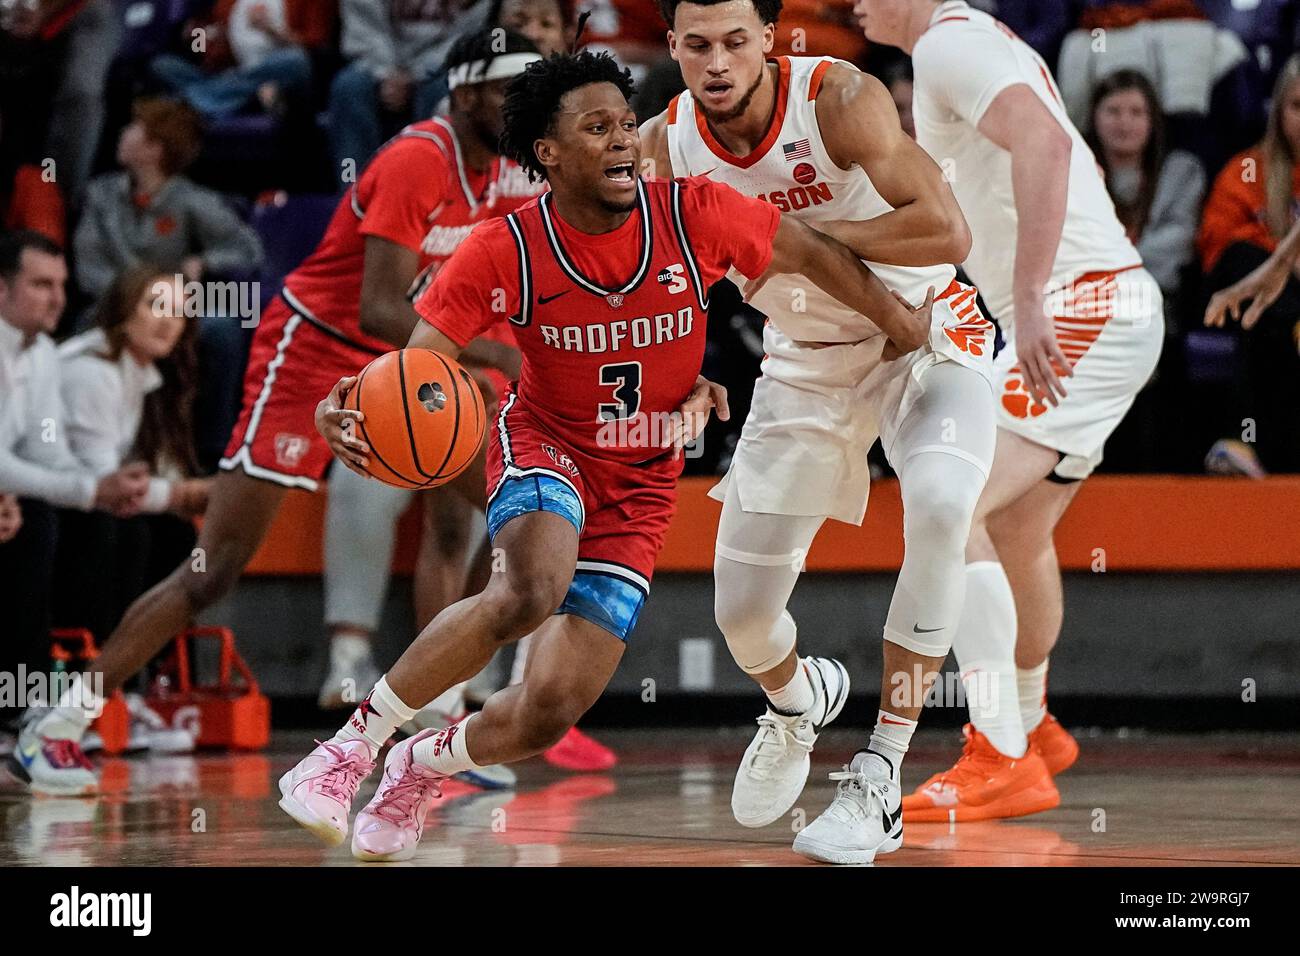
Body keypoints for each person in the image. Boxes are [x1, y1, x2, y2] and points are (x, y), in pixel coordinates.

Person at [278, 49, 935, 863]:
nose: (624, 141)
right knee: (529, 588)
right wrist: (346, 408)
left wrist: (898, 319)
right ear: (547, 154)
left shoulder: (693, 212)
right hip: (546, 443)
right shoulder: (504, 247)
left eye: (627, 124)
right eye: (597, 128)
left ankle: (421, 763)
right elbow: (419, 370)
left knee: (551, 707)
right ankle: (344, 754)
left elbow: (806, 253)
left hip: (644, 477)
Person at [10, 32, 545, 796]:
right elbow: (378, 305)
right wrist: (493, 359)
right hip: (319, 350)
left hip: (421, 353)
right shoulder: (417, 158)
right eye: (511, 90)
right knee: (215, 568)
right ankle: (58, 721)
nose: (528, 107)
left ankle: (435, 722)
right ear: (464, 95)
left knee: (492, 513)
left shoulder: (516, 166)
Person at [642, 0, 996, 865]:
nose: (718, 63)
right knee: (743, 617)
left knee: (945, 506)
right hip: (804, 355)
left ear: (768, 38)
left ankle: (881, 774)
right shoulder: (663, 148)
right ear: (673, 48)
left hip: (927, 327)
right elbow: (658, 280)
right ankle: (799, 702)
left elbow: (947, 228)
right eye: (698, 46)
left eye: (736, 42)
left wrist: (785, 236)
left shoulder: (838, 98)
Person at [855, 0, 1164, 825]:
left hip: (1080, 306)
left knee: (945, 509)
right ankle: (1029, 722)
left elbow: (1048, 143)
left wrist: (1027, 299)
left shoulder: (950, 43)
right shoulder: (965, 42)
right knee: (1017, 530)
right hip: (1103, 306)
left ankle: (1000, 751)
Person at [0, 232, 149, 785]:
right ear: (2, 289)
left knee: (96, 523)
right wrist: (89, 490)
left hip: (15, 501)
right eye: (41, 284)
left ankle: (89, 699)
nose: (57, 298)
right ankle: (18, 712)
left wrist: (103, 487)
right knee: (37, 524)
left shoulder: (38, 352)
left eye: (62, 285)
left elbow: (48, 455)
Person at [55, 264, 209, 754]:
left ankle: (137, 686)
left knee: (177, 538)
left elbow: (136, 480)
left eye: (179, 313)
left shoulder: (143, 375)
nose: (169, 322)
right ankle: (93, 684)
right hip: (53, 506)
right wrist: (185, 493)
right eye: (155, 307)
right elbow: (107, 487)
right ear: (123, 311)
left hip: (86, 504)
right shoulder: (91, 369)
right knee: (124, 532)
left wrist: (182, 495)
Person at [1196, 54, 1300, 474]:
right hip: (1267, 305)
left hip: (1272, 315)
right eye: (1297, 106)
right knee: (1246, 266)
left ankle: (1244, 443)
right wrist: (1283, 259)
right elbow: (1218, 245)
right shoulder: (1248, 170)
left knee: (1264, 323)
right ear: (1278, 112)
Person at [1085, 69, 1204, 309]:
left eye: (1136, 112)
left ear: (1153, 120)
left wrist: (1114, 263)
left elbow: (1180, 241)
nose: (1124, 122)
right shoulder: (1071, 169)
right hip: (1084, 297)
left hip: (1156, 296)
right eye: (1113, 111)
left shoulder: (1183, 171)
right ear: (1094, 116)